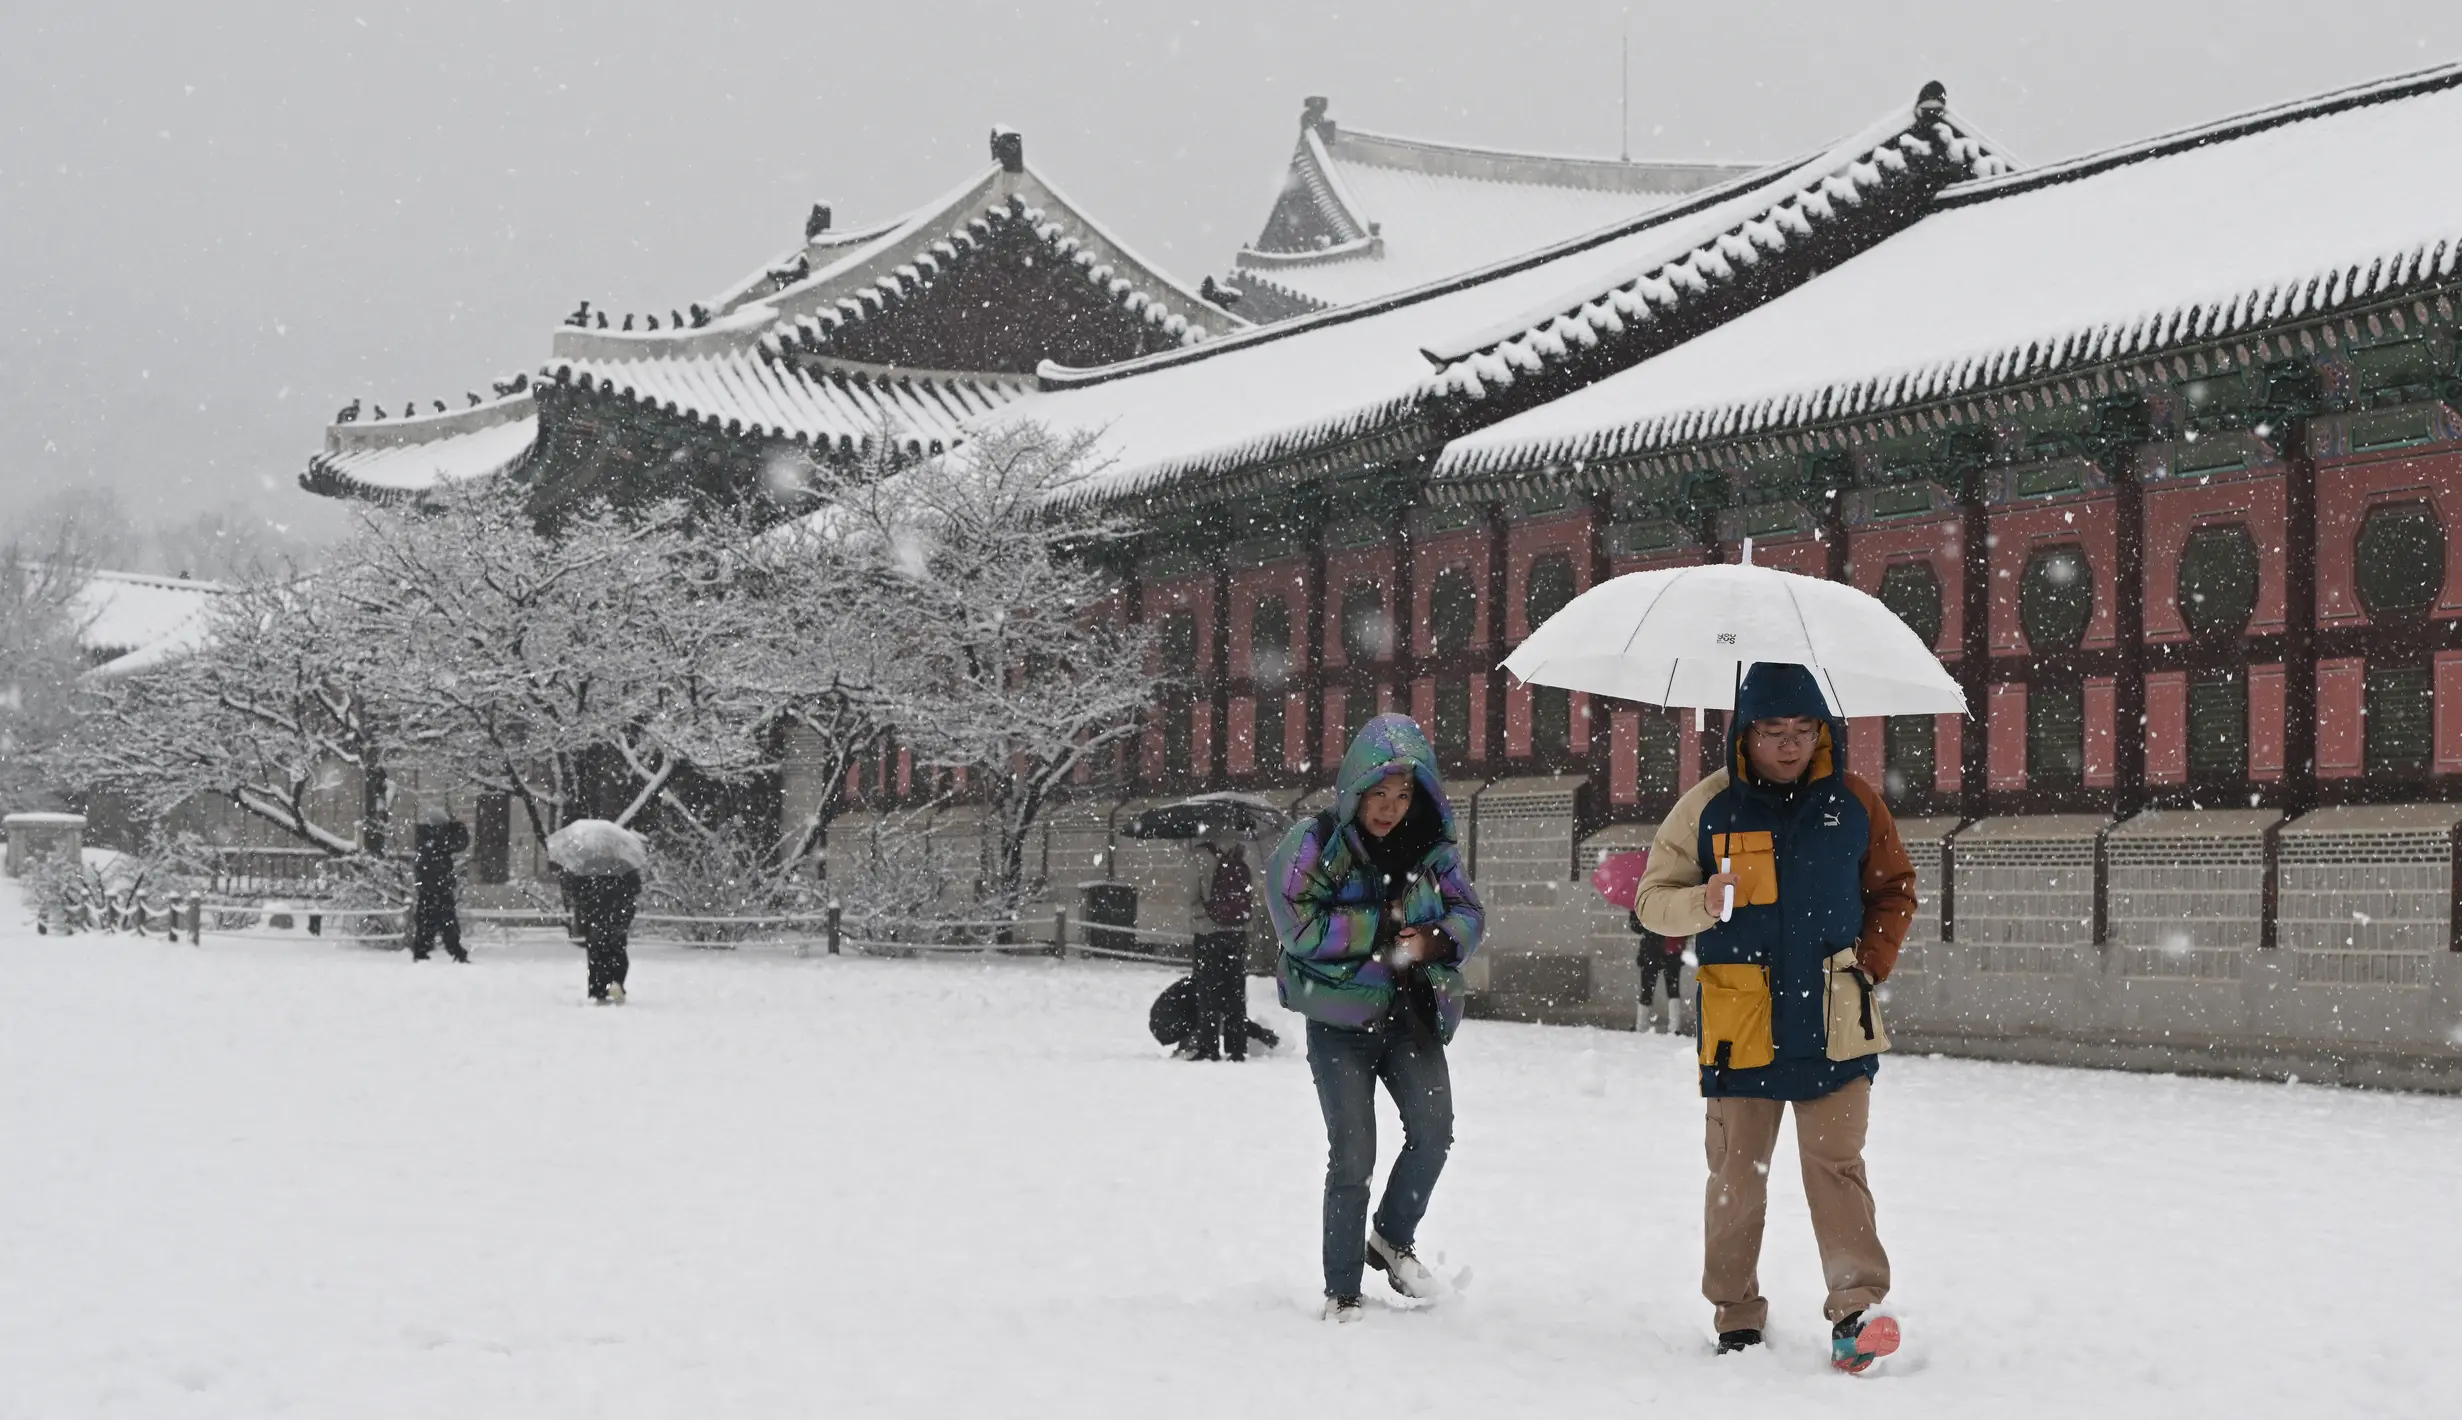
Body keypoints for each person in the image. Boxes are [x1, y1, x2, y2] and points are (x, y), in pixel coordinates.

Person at [1634, 663, 1917, 1373]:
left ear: (1822, 732)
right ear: (1744, 734)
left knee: (1837, 1168)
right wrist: (1703, 900)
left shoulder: (1855, 804)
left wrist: (1872, 963)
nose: (1788, 746)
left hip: (1834, 1020)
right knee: (1737, 1175)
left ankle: (1857, 1311)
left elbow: (1894, 889)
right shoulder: (1707, 808)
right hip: (1741, 1024)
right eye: (1771, 732)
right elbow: (1650, 901)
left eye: (1802, 731)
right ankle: (1735, 1311)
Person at [1266, 714, 1483, 1324]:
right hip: (1340, 1024)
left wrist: (1436, 939)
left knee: (1434, 1134)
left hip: (1409, 1016)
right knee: (1353, 1154)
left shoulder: (1433, 852)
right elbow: (1297, 923)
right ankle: (1342, 1289)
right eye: (1379, 794)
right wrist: (1379, 929)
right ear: (1356, 789)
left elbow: (1468, 912)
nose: (1390, 808)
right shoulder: (1315, 843)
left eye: (1403, 795)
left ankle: (1390, 1237)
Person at [1189, 833, 1256, 1062]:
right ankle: (1237, 1047)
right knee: (1235, 989)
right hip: (1237, 932)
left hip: (1208, 931)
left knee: (1208, 990)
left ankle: (1208, 1047)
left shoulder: (1198, 856)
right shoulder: (1240, 853)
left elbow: (1189, 895)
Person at [561, 863, 642, 1005]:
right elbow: (635, 889)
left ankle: (599, 990)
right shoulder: (625, 866)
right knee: (618, 953)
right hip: (618, 917)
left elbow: (575, 891)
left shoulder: (586, 866)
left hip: (595, 917)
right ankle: (617, 982)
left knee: (597, 956)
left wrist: (587, 906)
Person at [409, 803, 471, 963]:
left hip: (431, 889)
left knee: (428, 922)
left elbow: (458, 844)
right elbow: (459, 843)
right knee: (445, 922)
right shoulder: (438, 840)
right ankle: (454, 952)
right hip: (438, 888)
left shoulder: (427, 839)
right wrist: (457, 827)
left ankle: (423, 952)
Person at [1632, 909, 1688, 1035]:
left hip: (1660, 949)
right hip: (1664, 949)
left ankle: (1643, 1026)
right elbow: (1636, 925)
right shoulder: (1672, 897)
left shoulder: (1645, 897)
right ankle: (1672, 1027)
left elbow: (1636, 926)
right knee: (1656, 988)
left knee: (1656, 989)